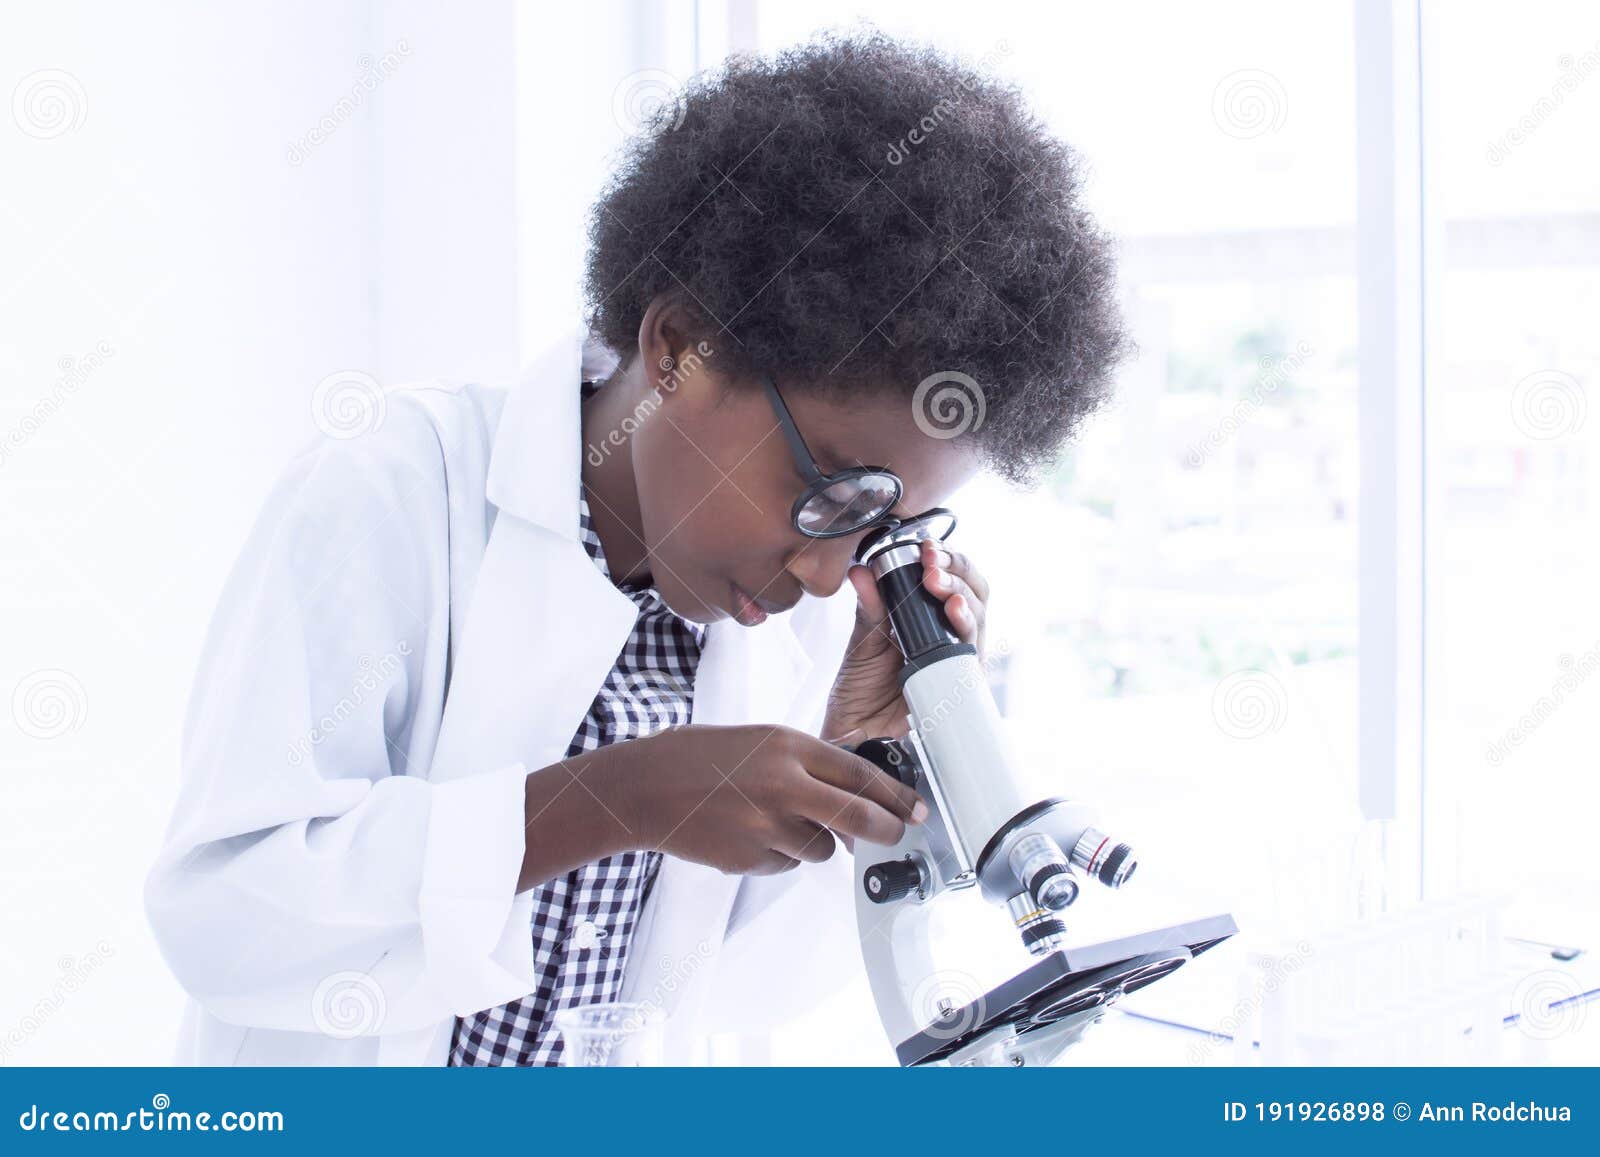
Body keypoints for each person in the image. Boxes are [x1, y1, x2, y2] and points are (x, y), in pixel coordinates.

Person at [144, 30, 1129, 1065]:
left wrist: (857, 774)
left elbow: (752, 987)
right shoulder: (388, 492)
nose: (827, 574)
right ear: (677, 350)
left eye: (877, 526)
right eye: (825, 490)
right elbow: (227, 917)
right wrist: (614, 797)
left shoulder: (773, 616)